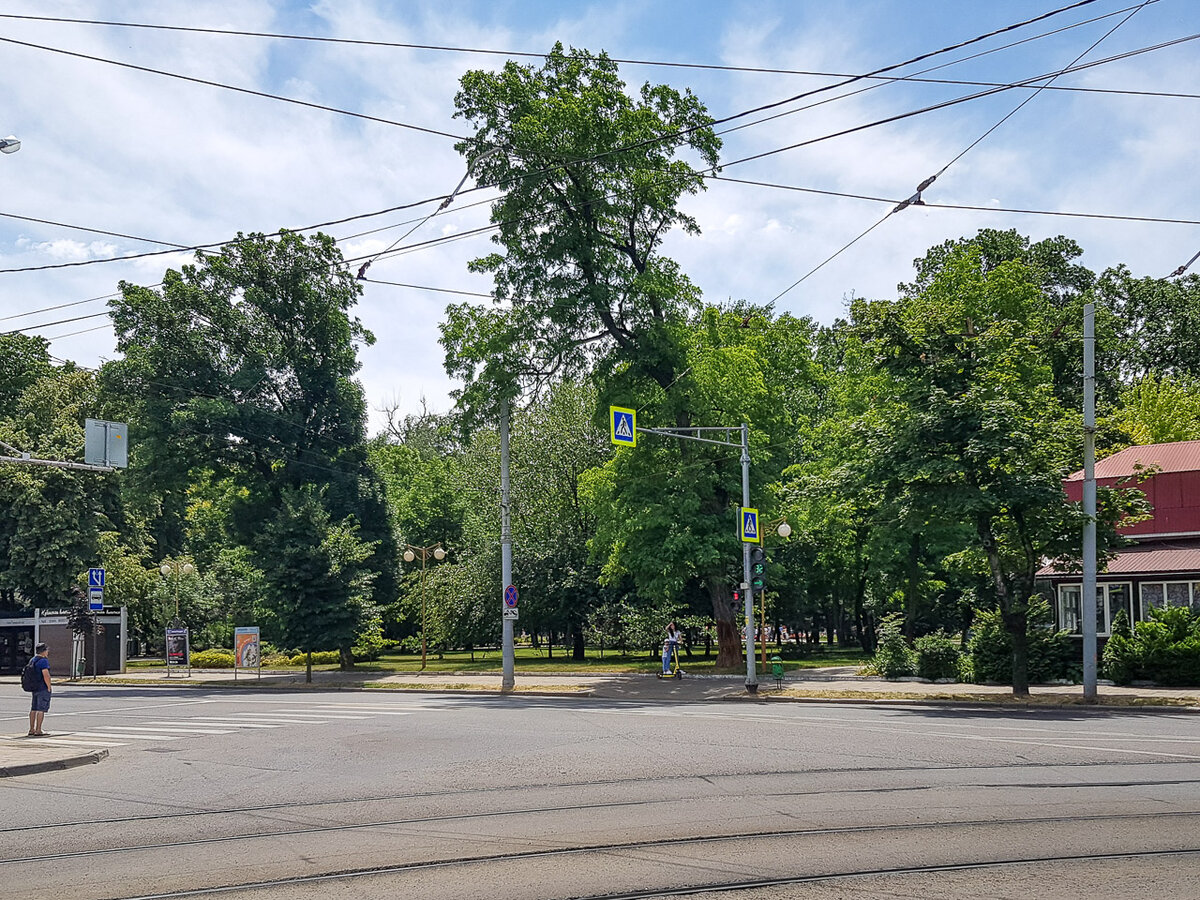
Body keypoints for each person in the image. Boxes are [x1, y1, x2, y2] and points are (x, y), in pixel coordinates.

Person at [28, 642, 51, 736]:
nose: (48, 652)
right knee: (41, 709)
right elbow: (46, 675)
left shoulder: (32, 660)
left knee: (33, 708)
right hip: (42, 687)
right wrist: (49, 686)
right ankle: (38, 730)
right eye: (47, 650)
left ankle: (31, 729)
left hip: (34, 687)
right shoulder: (43, 661)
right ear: (44, 651)